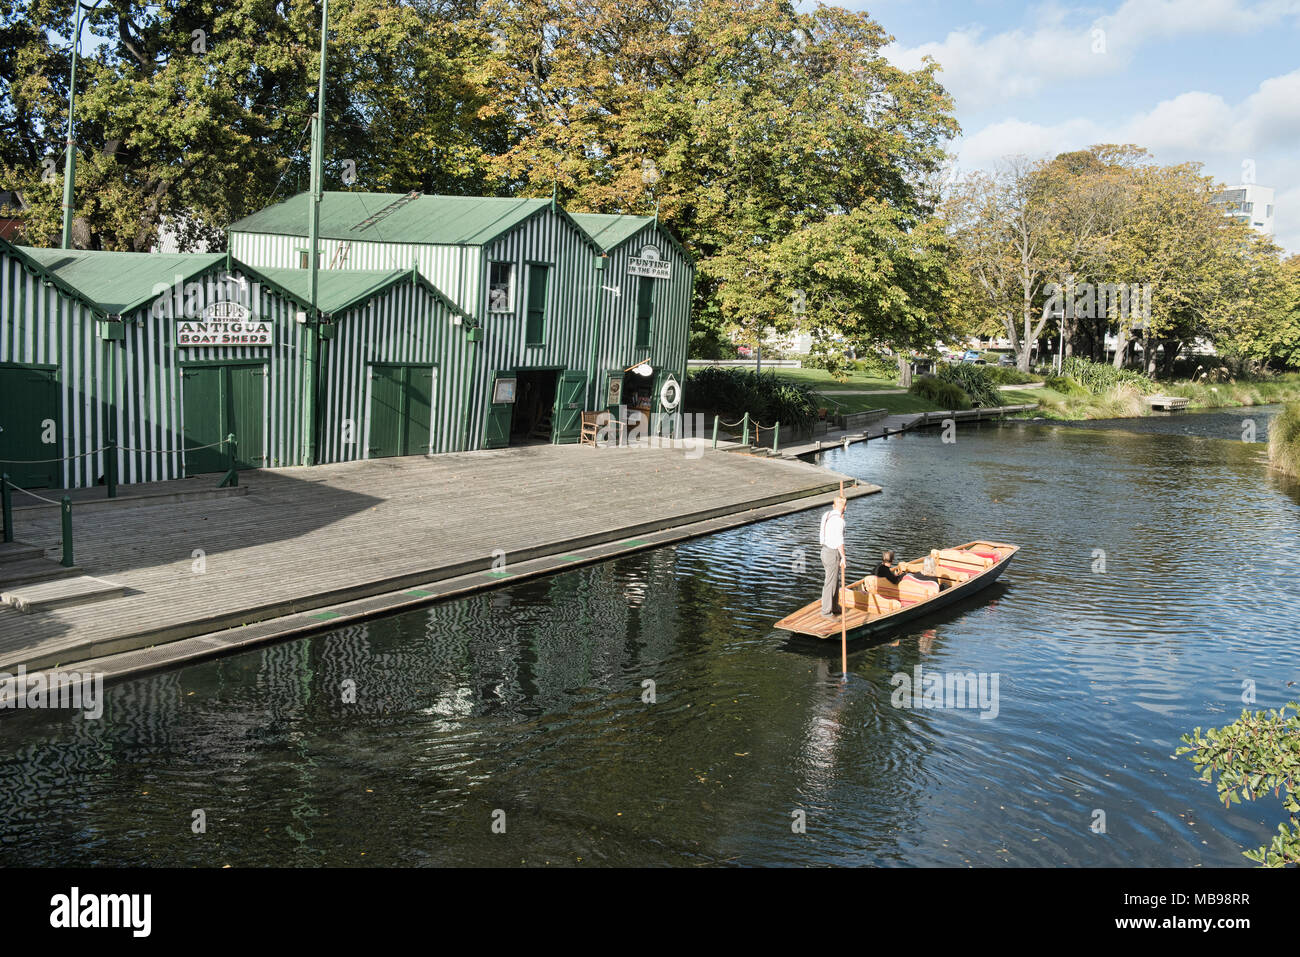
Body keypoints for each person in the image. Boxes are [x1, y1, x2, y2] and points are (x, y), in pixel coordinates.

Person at [819, 496, 847, 618]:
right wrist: (843, 557)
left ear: (834, 506)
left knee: (834, 580)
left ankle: (834, 606)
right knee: (830, 582)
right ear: (844, 507)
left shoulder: (826, 515)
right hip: (832, 552)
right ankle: (826, 612)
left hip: (824, 551)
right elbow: (839, 541)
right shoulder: (840, 521)